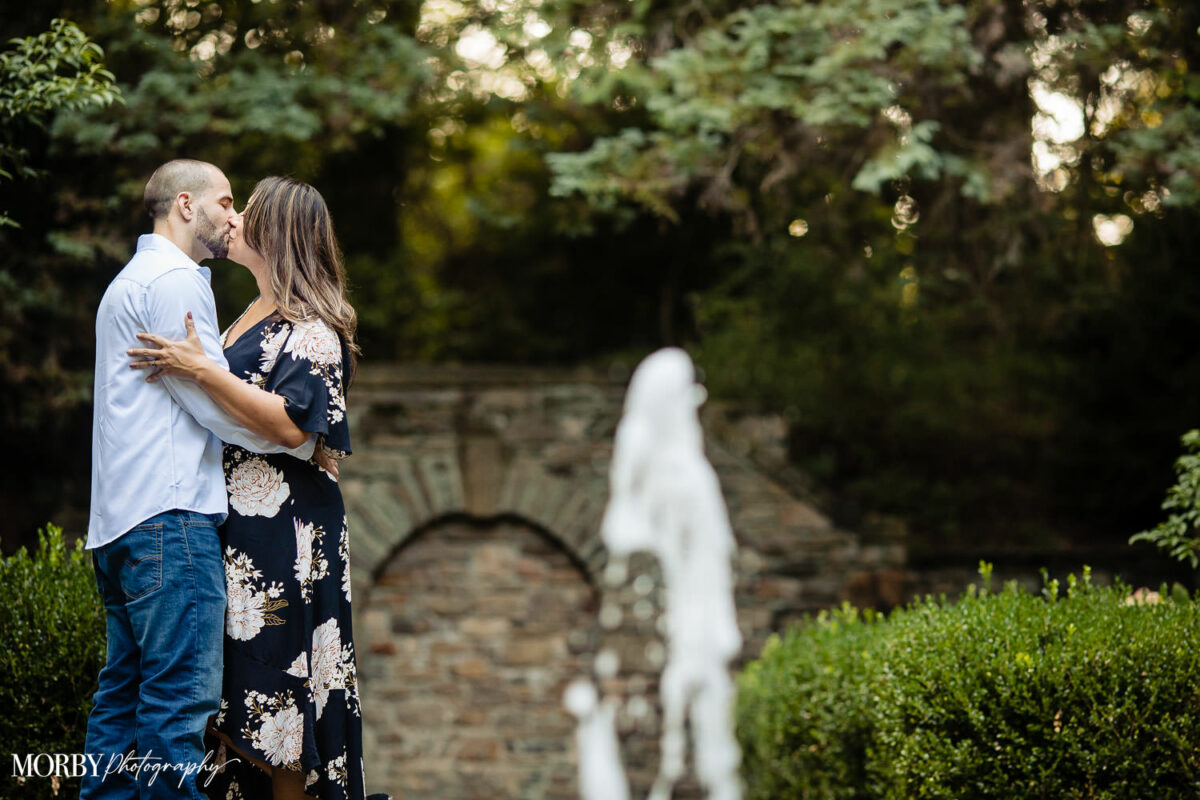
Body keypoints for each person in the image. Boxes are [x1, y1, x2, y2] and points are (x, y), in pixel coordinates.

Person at [127, 176, 370, 800]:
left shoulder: (311, 327)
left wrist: (203, 369)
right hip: (234, 524)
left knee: (280, 696)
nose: (232, 220)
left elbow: (292, 426)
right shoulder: (245, 316)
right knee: (233, 699)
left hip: (285, 534)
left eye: (246, 211)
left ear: (277, 232)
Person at [84, 160, 319, 800]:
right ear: (186, 205)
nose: (232, 215)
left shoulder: (127, 281)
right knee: (175, 709)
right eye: (225, 201)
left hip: (117, 525)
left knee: (121, 703)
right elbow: (211, 402)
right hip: (172, 522)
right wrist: (292, 441)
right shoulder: (179, 280)